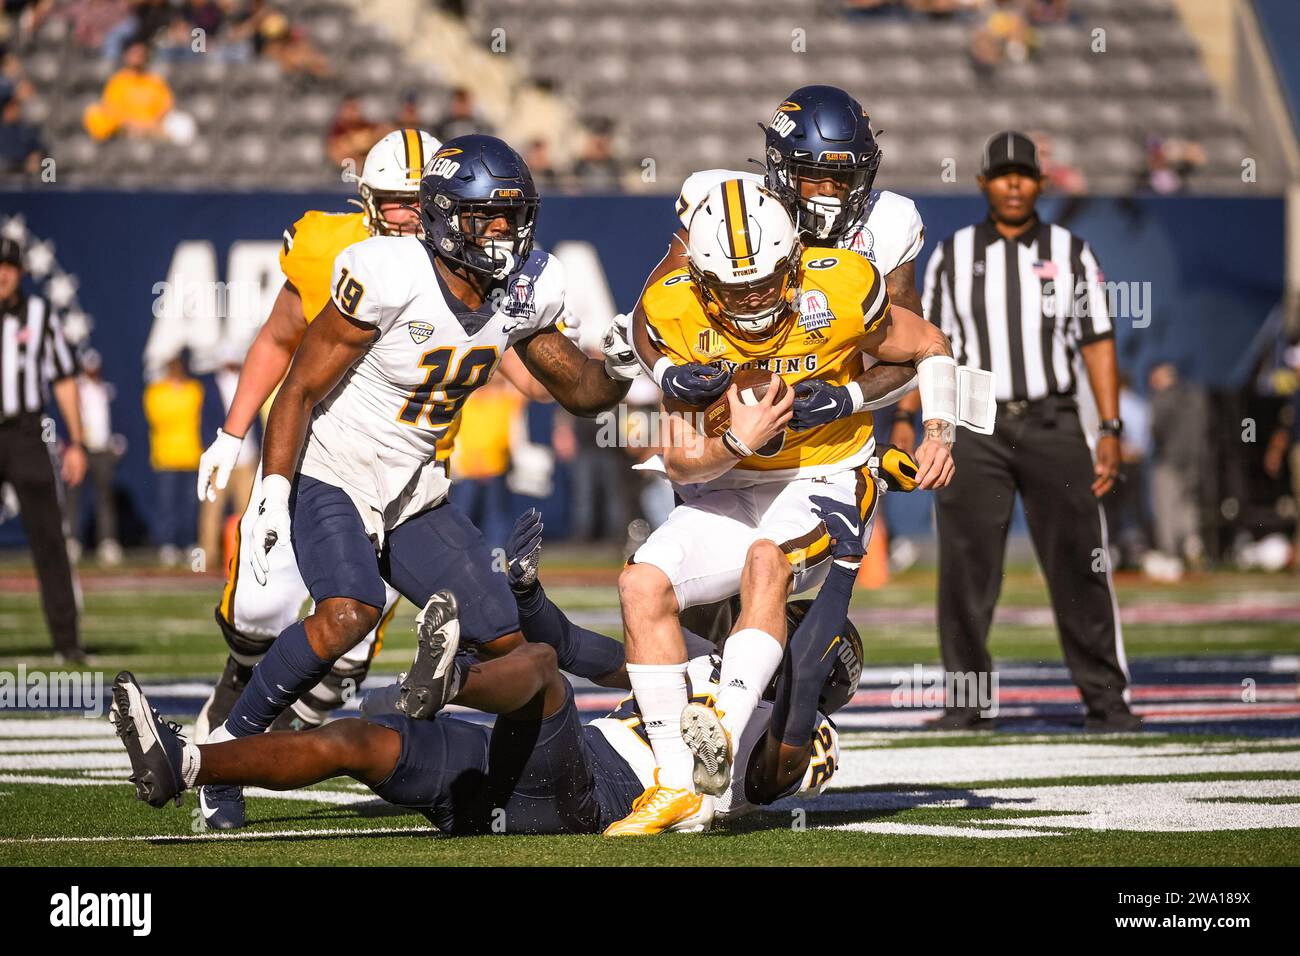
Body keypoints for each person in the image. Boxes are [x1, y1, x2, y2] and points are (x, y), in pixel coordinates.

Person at [195, 134, 634, 830]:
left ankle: (488, 765)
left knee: (505, 640)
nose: (499, 233)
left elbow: (578, 390)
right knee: (349, 612)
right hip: (332, 469)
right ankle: (227, 750)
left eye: (510, 216)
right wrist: (271, 493)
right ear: (437, 217)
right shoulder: (384, 272)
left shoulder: (524, 288)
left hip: (415, 490)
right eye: (483, 216)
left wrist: (622, 365)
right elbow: (301, 389)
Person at [109, 500, 864, 834]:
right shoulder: (696, 665)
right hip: (535, 784)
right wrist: (528, 593)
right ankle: (187, 763)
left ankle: (452, 682)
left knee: (538, 675)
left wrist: (846, 572)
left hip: (599, 794)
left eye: (793, 633)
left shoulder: (804, 738)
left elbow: (786, 732)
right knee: (355, 742)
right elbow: (574, 644)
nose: (765, 628)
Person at [606, 177, 956, 836]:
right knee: (639, 583)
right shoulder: (673, 312)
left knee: (767, 563)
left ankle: (727, 735)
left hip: (824, 477)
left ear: (794, 262)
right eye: (735, 292)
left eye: (766, 283)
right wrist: (738, 440)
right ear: (703, 282)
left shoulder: (842, 284)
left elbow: (928, 345)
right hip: (732, 483)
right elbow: (680, 458)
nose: (755, 302)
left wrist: (936, 428)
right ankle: (679, 788)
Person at [897, 130, 1138, 732]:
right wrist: (910, 419)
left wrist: (1107, 426)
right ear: (983, 183)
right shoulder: (952, 257)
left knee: (1080, 562)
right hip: (977, 423)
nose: (1012, 184)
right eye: (1002, 174)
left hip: (1054, 419)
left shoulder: (1072, 251)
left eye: (1023, 175)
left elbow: (1097, 342)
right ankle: (968, 701)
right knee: (966, 564)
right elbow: (926, 348)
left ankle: (1106, 700)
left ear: (1039, 183)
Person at [0, 237, 87, 662]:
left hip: (25, 434)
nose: (2, 273)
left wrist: (77, 442)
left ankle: (67, 642)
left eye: (9, 267)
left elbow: (65, 379)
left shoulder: (39, 315)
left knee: (49, 537)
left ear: (20, 273)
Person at [143, 350, 202, 566]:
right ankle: (167, 544)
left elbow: (197, 416)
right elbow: (160, 418)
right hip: (166, 455)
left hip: (190, 454)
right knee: (167, 504)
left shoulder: (194, 389)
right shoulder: (156, 392)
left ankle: (188, 543)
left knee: (190, 505)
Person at [64, 347, 122, 566]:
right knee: (74, 497)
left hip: (102, 449)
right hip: (81, 448)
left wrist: (116, 441)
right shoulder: (76, 389)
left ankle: (107, 541)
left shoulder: (106, 390)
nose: (92, 372)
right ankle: (71, 539)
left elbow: (115, 418)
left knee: (104, 497)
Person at [82, 40, 174, 141]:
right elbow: (112, 109)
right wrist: (129, 124)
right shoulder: (117, 82)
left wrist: (148, 125)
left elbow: (165, 107)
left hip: (151, 126)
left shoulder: (155, 81)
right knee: (94, 113)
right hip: (125, 128)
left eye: (141, 54)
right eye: (134, 53)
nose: (138, 57)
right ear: (126, 56)